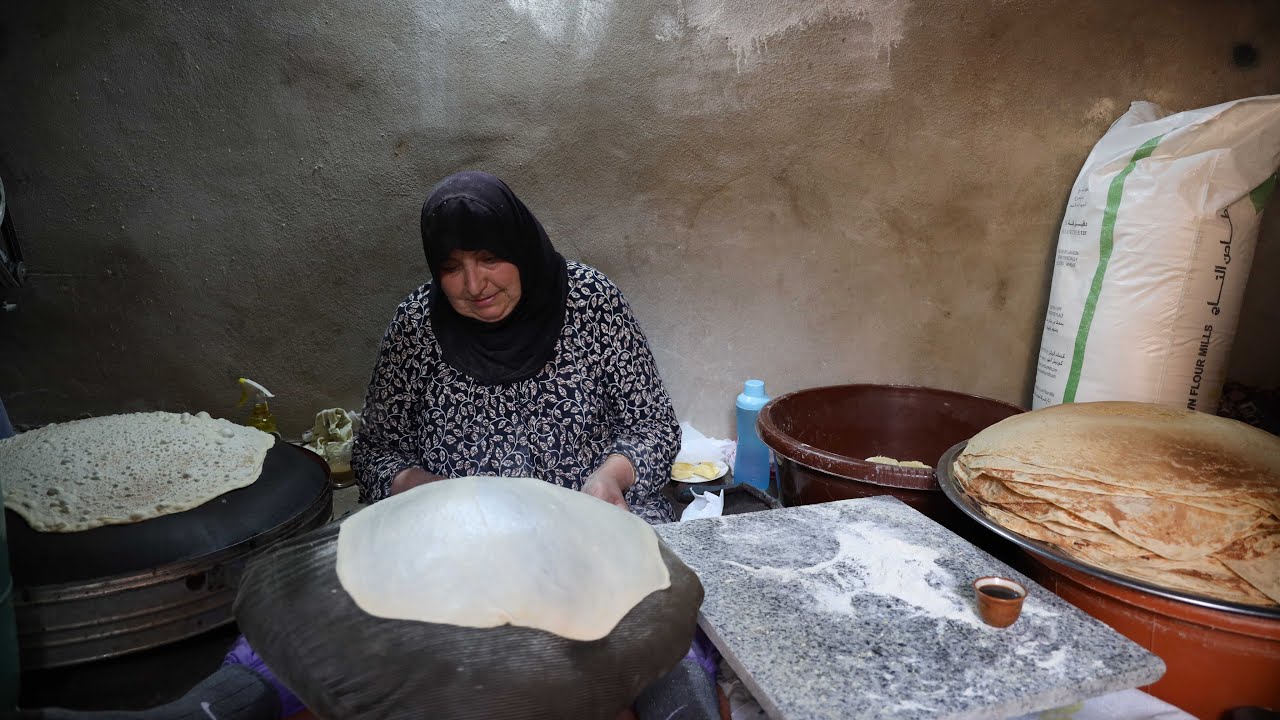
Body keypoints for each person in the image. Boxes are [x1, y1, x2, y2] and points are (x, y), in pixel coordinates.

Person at [352, 170, 680, 524]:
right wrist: (431, 491)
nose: (475, 285)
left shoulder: (590, 300)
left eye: (489, 259)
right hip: (462, 538)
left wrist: (611, 477)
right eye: (451, 267)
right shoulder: (416, 325)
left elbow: (654, 427)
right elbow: (374, 453)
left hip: (590, 524)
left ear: (520, 248)